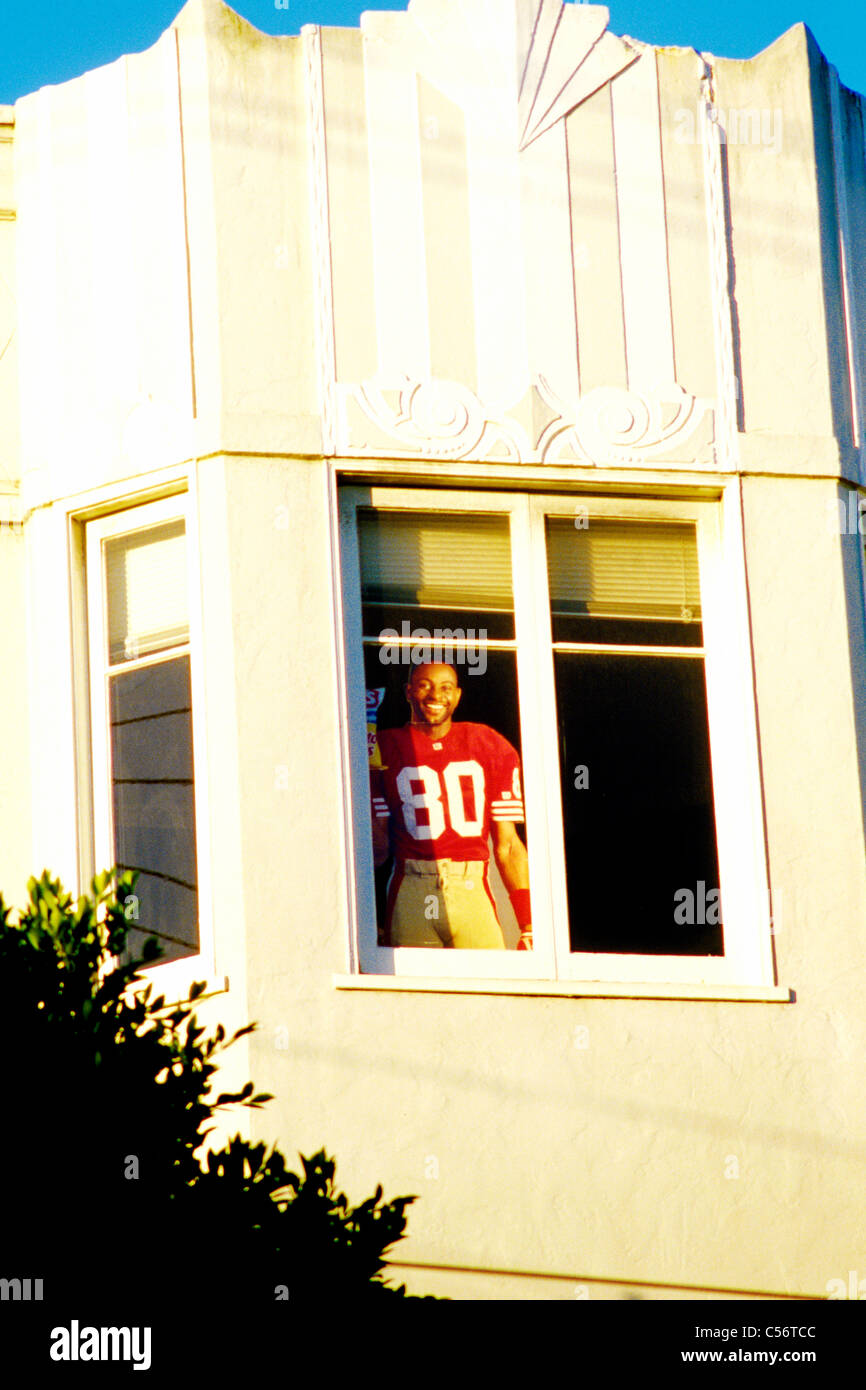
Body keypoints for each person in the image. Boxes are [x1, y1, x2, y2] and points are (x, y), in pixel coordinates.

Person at [370, 662, 532, 949]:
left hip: (472, 886)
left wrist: (528, 923)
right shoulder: (384, 746)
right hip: (410, 885)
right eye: (424, 685)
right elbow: (378, 852)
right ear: (408, 692)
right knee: (413, 988)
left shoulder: (487, 743)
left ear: (457, 695)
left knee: (488, 987)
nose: (436, 695)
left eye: (446, 688)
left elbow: (508, 846)